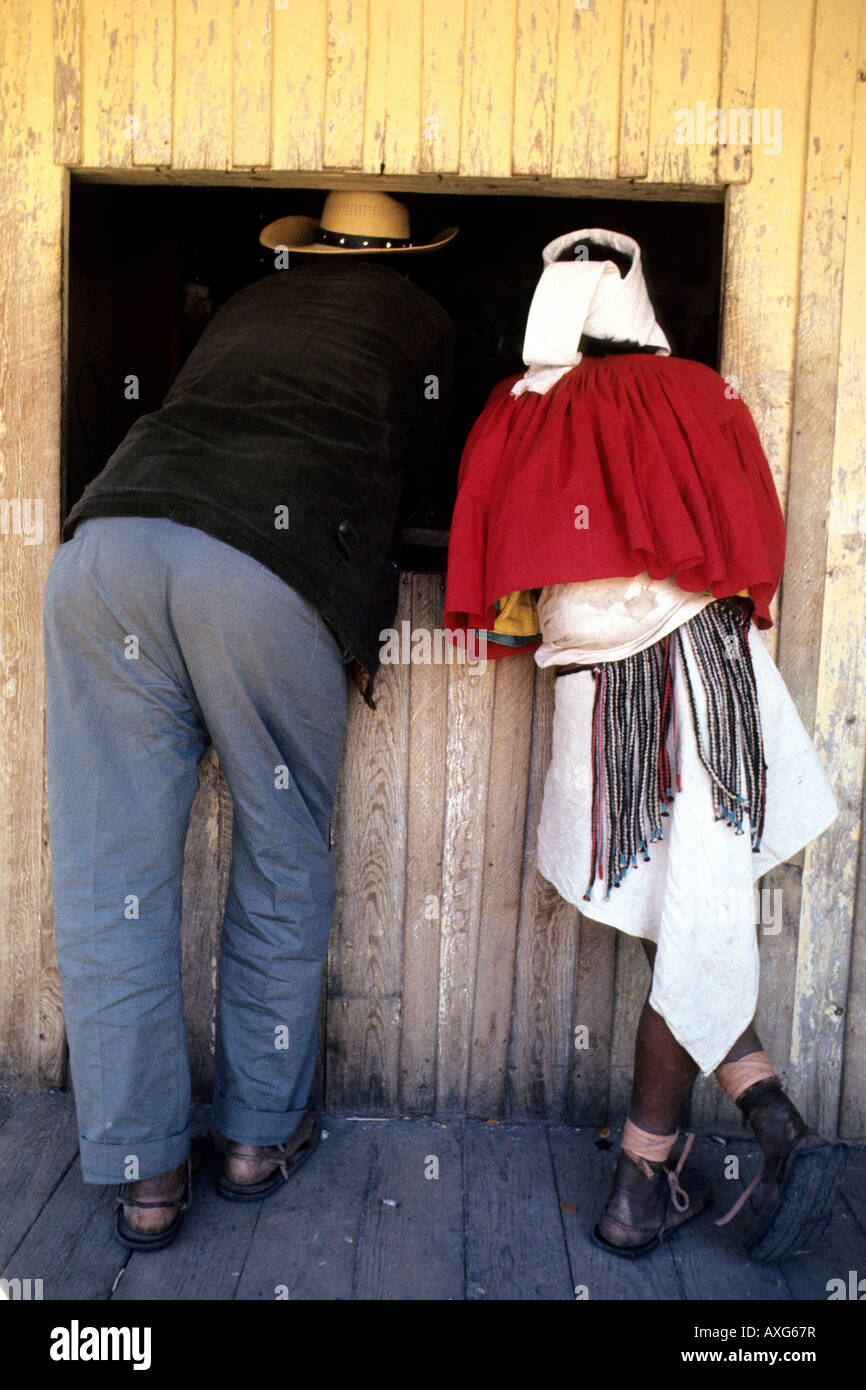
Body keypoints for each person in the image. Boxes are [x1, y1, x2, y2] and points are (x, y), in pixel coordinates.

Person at [43, 191, 456, 1250]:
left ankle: (143, 1175)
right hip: (260, 574)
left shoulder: (244, 304)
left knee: (111, 878)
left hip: (108, 550)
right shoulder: (417, 316)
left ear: (313, 248)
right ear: (405, 255)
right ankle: (252, 1139)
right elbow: (439, 470)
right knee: (281, 853)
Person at [444, 227, 845, 1261]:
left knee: (679, 905)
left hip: (604, 692)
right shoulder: (701, 396)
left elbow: (491, 576)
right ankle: (747, 1120)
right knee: (693, 899)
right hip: (715, 673)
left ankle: (642, 1180)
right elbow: (755, 540)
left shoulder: (520, 409)